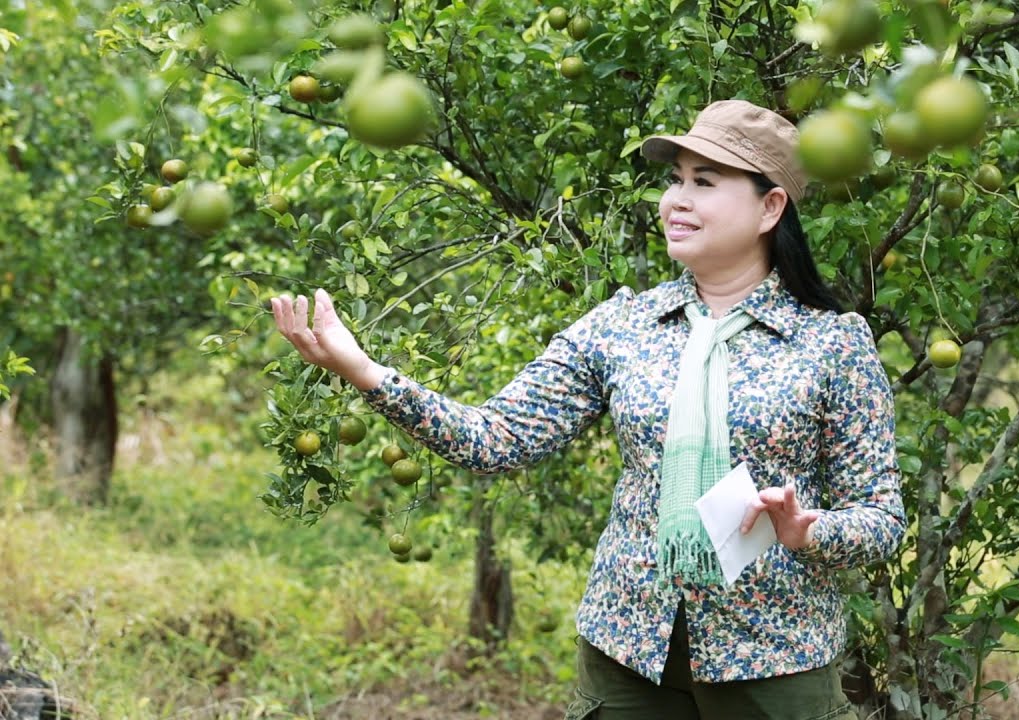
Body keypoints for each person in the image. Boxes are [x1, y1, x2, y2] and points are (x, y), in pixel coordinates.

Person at [271, 99, 905, 719]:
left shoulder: (831, 343)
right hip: (630, 644)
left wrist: (810, 533)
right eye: (675, 180)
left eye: (704, 183)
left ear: (771, 207)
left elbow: (881, 516)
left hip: (775, 652)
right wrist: (364, 370)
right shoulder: (625, 324)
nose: (677, 200)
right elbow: (495, 439)